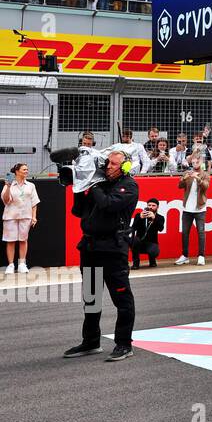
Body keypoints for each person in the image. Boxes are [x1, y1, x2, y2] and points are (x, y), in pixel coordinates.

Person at [63, 149, 138, 362]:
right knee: (91, 299)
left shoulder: (129, 185)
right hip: (90, 248)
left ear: (125, 167)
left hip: (113, 250)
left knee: (122, 300)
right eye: (108, 163)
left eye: (114, 164)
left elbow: (109, 204)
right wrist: (79, 185)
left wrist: (92, 183)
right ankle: (91, 341)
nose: (108, 167)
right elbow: (78, 211)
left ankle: (124, 344)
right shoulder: (100, 184)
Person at [2, 164, 39, 275]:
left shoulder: (31, 185)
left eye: (27, 169)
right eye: (24, 169)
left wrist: (34, 216)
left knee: (23, 240)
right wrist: (8, 187)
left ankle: (22, 264)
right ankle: (11, 265)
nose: (26, 171)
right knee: (10, 241)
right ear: (17, 171)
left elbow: (34, 202)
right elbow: (6, 200)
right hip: (10, 216)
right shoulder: (9, 185)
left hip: (26, 216)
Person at [174, 162, 209, 266]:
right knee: (185, 233)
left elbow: (205, 187)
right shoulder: (187, 173)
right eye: (193, 162)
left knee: (201, 232)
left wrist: (197, 178)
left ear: (201, 162)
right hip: (187, 209)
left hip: (200, 209)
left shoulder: (205, 174)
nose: (195, 164)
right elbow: (179, 186)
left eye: (197, 162)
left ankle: (201, 256)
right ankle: (185, 256)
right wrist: (184, 178)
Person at [130, 198, 163, 270]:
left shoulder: (160, 217)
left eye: (153, 205)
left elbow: (161, 228)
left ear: (157, 207)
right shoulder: (139, 215)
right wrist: (140, 218)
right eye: (149, 205)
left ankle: (152, 261)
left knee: (154, 251)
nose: (151, 207)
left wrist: (154, 218)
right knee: (134, 241)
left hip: (151, 242)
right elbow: (133, 228)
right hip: (139, 241)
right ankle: (136, 263)